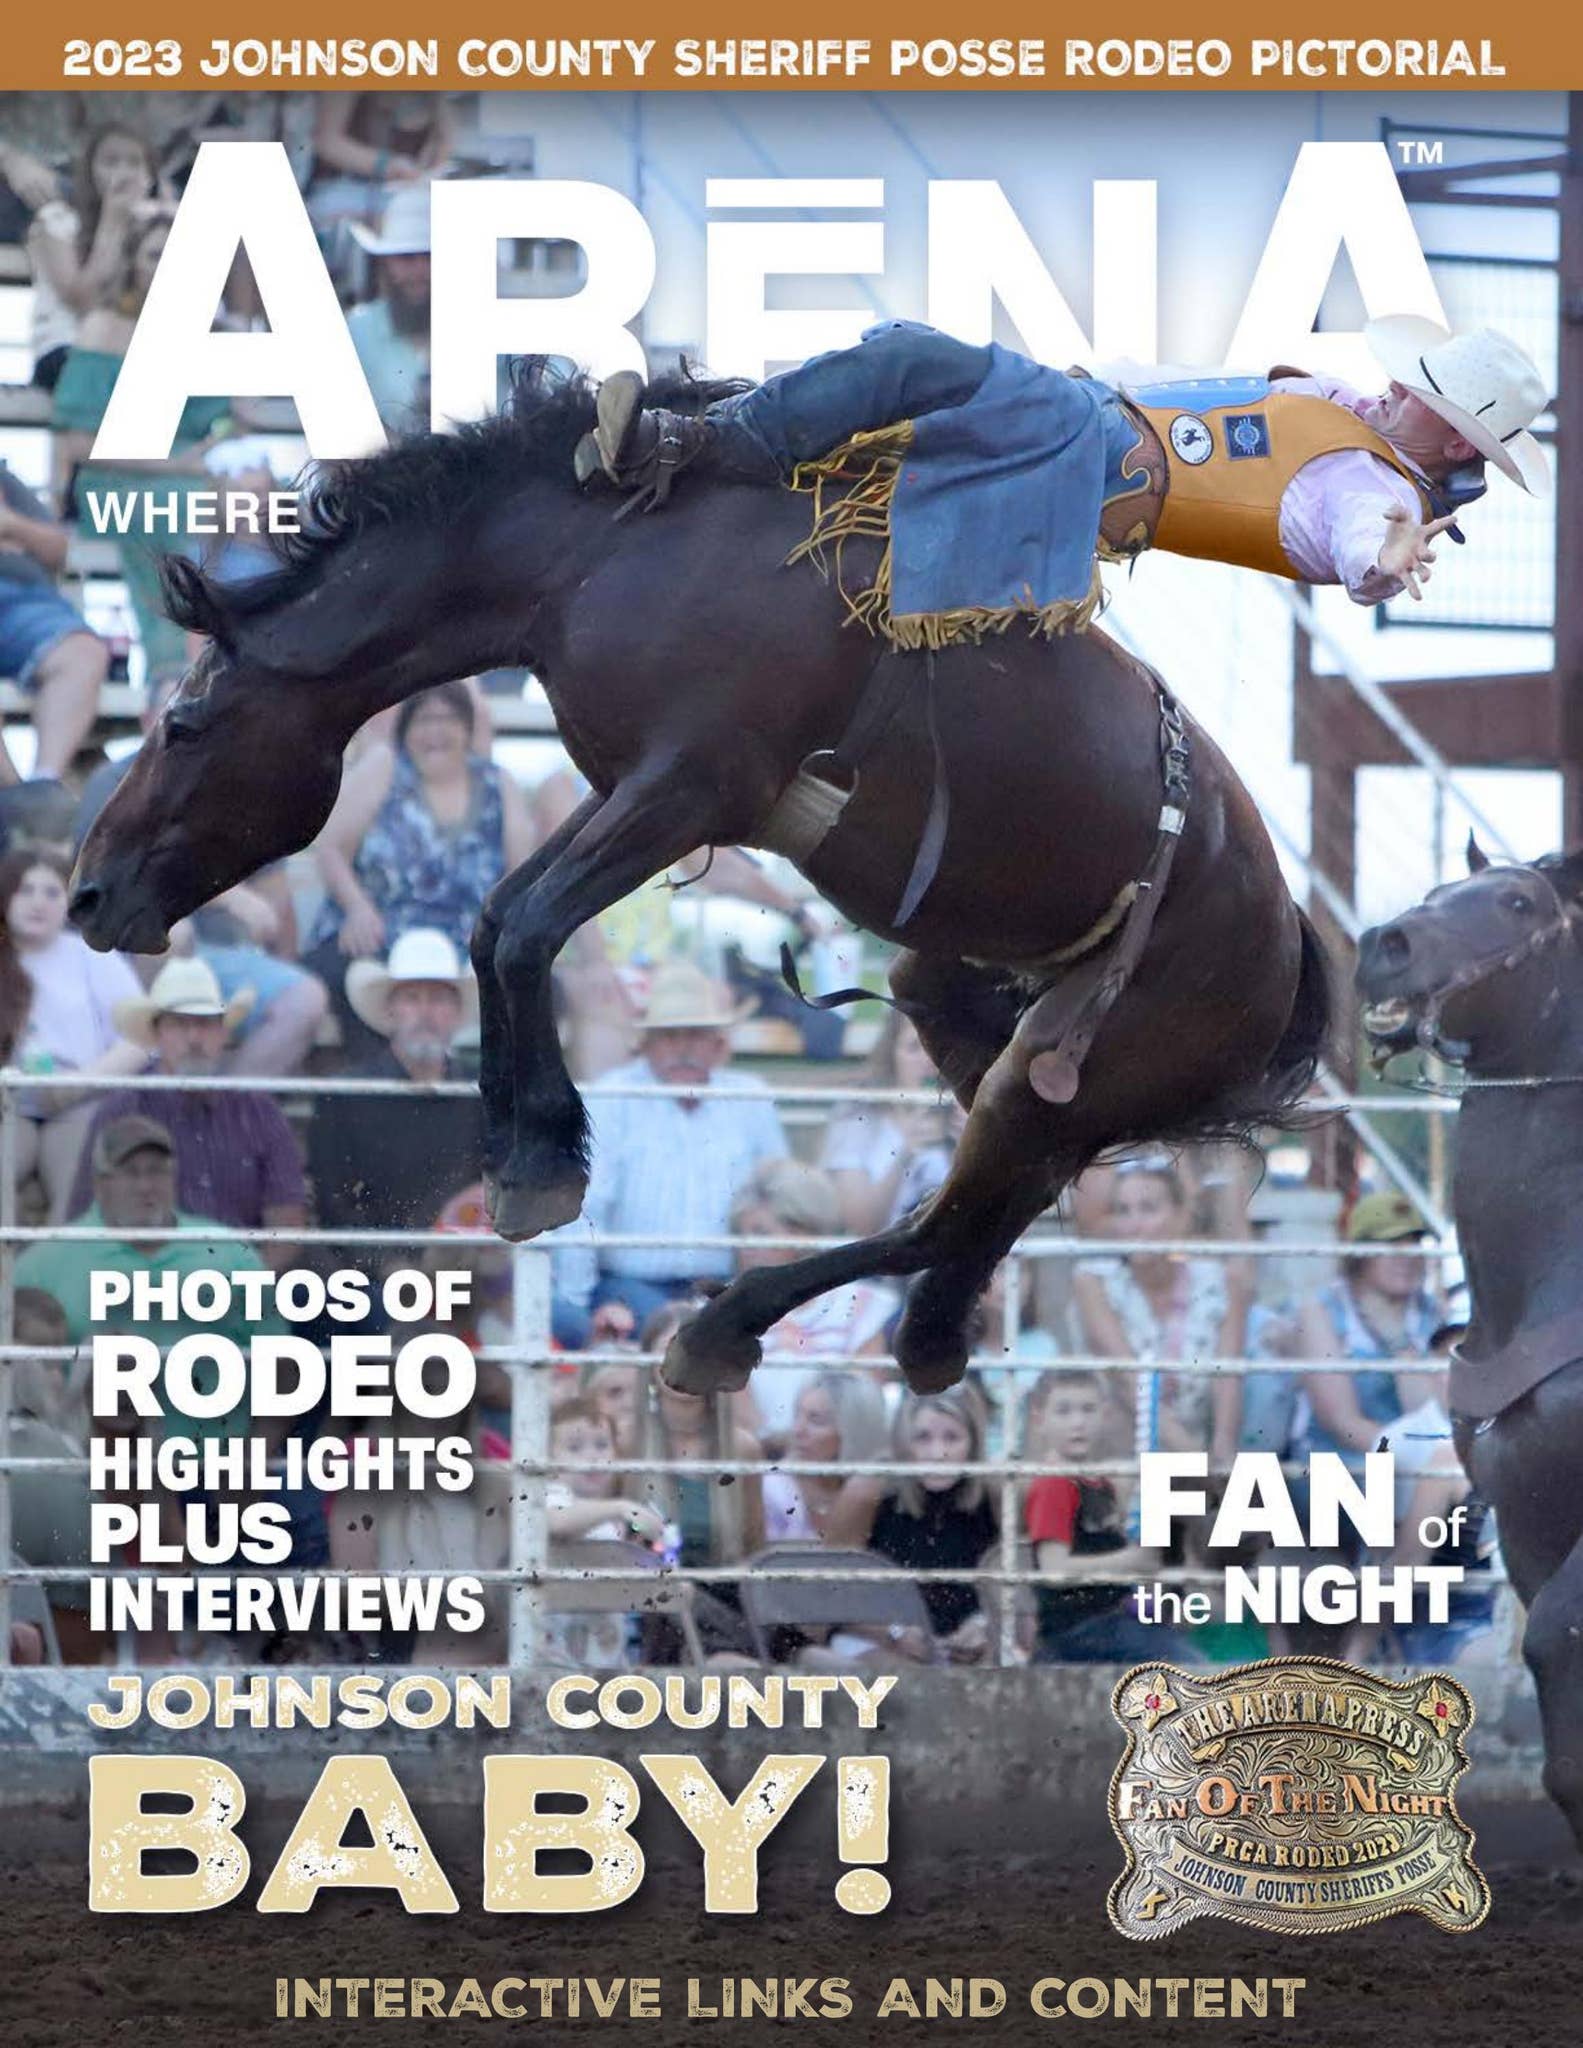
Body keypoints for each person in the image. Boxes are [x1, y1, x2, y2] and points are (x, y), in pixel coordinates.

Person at [583, 315, 1548, 619]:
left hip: (1078, 450)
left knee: (913, 358)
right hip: (1081, 414)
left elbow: (1362, 557)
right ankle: (697, 429)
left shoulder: (1370, 493)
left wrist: (1385, 564)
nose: (1393, 385)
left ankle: (690, 442)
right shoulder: (1348, 415)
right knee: (884, 382)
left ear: (1457, 442)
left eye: (1421, 393)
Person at [73, 676, 329, 1076]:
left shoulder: (244, 783)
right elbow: (112, 876)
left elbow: (276, 900)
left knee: (307, 998)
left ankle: (223, 1107)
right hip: (132, 949)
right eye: (174, 709)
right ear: (147, 719)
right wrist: (230, 896)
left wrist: (283, 950)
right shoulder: (114, 781)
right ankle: (157, 1095)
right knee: (173, 937)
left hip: (224, 956)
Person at [553, 962, 789, 1338]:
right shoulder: (612, 1098)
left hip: (726, 1285)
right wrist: (576, 1303)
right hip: (630, 1286)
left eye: (695, 1035)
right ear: (646, 1044)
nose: (683, 1049)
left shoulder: (751, 1098)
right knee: (682, 1337)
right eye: (669, 1036)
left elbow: (781, 1198)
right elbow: (585, 1208)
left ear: (718, 1045)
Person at [14, 1114, 277, 1444]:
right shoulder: (45, 1262)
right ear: (99, 1183)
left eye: (156, 1171)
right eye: (130, 1172)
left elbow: (281, 1365)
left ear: (174, 1178)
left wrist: (258, 1454)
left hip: (218, 1467)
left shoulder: (232, 1254)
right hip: (95, 1472)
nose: (145, 1186)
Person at [306, 678, 532, 1056]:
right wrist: (357, 907)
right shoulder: (385, 767)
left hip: (465, 943)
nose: (435, 733)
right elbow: (329, 849)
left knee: (526, 981)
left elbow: (522, 876)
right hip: (379, 932)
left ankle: (479, 1105)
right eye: (423, 721)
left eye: (447, 720)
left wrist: (499, 930)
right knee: (343, 972)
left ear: (467, 727)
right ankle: (381, 1093)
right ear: (406, 729)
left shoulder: (498, 783)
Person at [66, 957, 307, 1262]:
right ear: (158, 1034)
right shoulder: (119, 1113)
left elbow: (286, 1222)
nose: (194, 1038)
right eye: (180, 1024)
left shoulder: (259, 1110)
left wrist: (246, 1290)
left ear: (222, 1034)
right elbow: (86, 1224)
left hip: (243, 1282)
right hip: (146, 1284)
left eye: (205, 1024)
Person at [306, 929, 485, 1245]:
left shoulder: (482, 1094)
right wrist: (390, 1267)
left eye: (439, 999)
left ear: (456, 1013)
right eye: (412, 998)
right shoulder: (346, 1096)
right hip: (371, 1271)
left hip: (462, 1260)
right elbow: (335, 1208)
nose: (425, 1013)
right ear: (391, 1011)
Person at [1071, 1155, 1245, 1473]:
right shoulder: (1094, 1281)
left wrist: (1222, 1450)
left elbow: (1228, 1374)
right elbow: (1127, 1381)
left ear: (1180, 1217)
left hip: (1200, 1437)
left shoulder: (1219, 1280)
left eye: (1148, 1209)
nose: (1133, 1224)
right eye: (1123, 1211)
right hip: (1130, 1441)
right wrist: (1198, 1461)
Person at [0, 847, 143, 1221]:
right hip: (7, 1104)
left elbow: (141, 1036)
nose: (38, 903)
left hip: (78, 1101)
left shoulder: (92, 956)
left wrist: (81, 1082)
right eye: (25, 890)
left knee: (78, 1191)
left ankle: (57, 1275)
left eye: (51, 893)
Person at [727, 1158, 898, 1449]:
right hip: (759, 1459)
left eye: (761, 1234)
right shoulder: (726, 1307)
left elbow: (861, 1405)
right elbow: (735, 1407)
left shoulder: (860, 1304)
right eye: (741, 1235)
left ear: (804, 1233)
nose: (747, 1247)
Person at [850, 1388, 999, 1665]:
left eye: (952, 1438)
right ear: (903, 1444)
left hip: (965, 1647)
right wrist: (894, 1634)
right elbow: (829, 1593)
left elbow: (1014, 1589)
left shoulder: (994, 1495)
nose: (937, 1453)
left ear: (973, 1443)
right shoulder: (870, 1491)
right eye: (923, 1438)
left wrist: (984, 1625)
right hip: (881, 1641)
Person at [8, 123, 161, 390]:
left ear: (149, 176)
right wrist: (113, 223)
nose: (122, 173)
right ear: (89, 171)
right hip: (68, 351)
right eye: (111, 162)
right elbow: (82, 300)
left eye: (134, 163)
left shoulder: (156, 229)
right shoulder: (56, 220)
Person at [1296, 1190, 1442, 1463]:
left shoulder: (1431, 1314)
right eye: (1390, 1245)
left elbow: (1429, 1415)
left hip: (1416, 1462)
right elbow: (1342, 1424)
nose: (1407, 1256)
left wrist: (1398, 1342)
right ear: (1359, 1254)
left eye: (1413, 1243)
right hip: (1338, 1463)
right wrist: (1413, 1457)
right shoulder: (1322, 1311)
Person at [1023, 1369, 1158, 1663]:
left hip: (1110, 1620)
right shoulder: (1055, 1483)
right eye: (1064, 1411)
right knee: (1189, 1665)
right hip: (1077, 1630)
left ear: (1105, 1416)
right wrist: (1130, 1561)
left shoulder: (1099, 1484)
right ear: (1039, 1418)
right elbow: (1054, 1568)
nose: (1078, 1423)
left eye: (1088, 1409)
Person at [0, 457, 108, 813]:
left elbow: (58, 550)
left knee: (83, 651)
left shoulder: (6, 480)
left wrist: (11, 523)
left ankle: (42, 790)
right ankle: (17, 804)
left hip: (27, 603)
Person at [541, 1396, 667, 1668]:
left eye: (602, 1445)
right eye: (574, 1448)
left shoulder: (606, 1516)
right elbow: (558, 1524)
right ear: (549, 1461)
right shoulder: (551, 1496)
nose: (592, 1456)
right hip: (555, 1655)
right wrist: (620, 1508)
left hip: (604, 1651)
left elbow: (655, 1537)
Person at [819, 1011, 959, 1234]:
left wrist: (972, 1147)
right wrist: (905, 1155)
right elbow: (862, 1226)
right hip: (880, 1264)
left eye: (939, 1046)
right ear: (891, 1056)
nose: (929, 1060)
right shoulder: (856, 1116)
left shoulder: (970, 1115)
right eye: (915, 1047)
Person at [344, 185, 436, 436]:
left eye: (430, 257)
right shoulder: (358, 331)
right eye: (406, 258)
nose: (420, 271)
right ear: (385, 264)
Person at [760, 1372, 891, 1547]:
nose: (798, 1430)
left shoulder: (884, 1491)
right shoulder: (772, 1489)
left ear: (854, 1432)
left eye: (816, 1421)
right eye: (798, 1415)